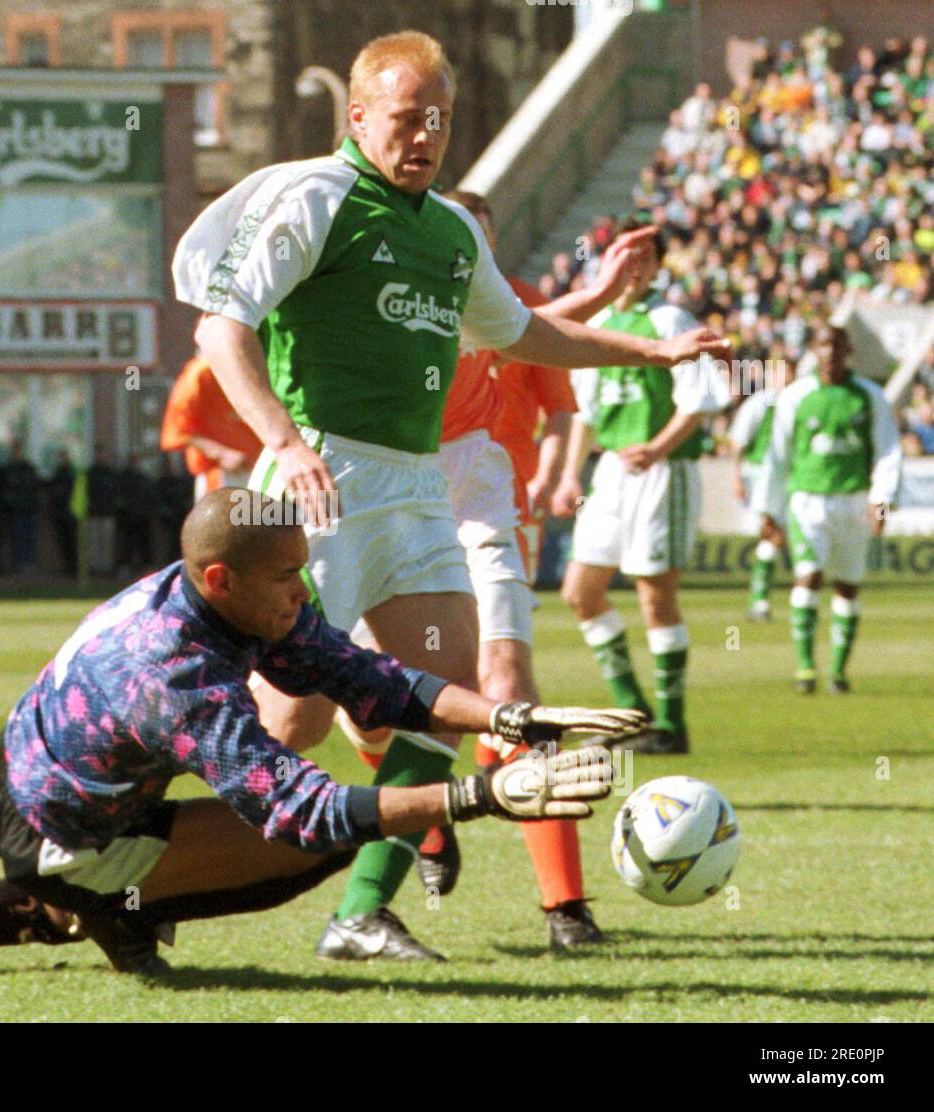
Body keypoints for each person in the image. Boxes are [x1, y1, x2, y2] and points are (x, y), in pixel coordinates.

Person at [173, 31, 728, 959]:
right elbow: (218, 330)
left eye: (438, 119)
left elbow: (523, 337)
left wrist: (653, 349)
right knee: (287, 724)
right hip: (322, 482)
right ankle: (131, 845)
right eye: (404, 117)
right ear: (357, 118)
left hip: (415, 487)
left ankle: (359, 912)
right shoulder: (317, 200)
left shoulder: (452, 229)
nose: (424, 135)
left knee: (452, 693)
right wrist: (283, 444)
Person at [0, 489, 639, 983]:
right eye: (287, 579)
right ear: (224, 578)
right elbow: (303, 809)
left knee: (63, 896)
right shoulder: (173, 672)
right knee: (310, 843)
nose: (302, 595)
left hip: (33, 775)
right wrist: (483, 793)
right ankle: (112, 909)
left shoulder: (227, 588)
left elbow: (365, 676)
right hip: (53, 822)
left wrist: (513, 718)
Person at [336, 192, 655, 950]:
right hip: (380, 494)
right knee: (368, 710)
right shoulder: (375, 294)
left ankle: (566, 910)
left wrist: (605, 303)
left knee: (507, 685)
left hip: (481, 491)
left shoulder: (516, 305)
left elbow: (531, 349)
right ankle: (425, 824)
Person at [551, 219, 726, 757]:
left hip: (661, 472)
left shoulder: (669, 318)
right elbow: (584, 411)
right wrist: (567, 475)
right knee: (580, 592)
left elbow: (698, 401)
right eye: (626, 253)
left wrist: (658, 447)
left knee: (655, 596)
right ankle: (634, 712)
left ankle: (671, 725)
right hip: (611, 476)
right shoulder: (600, 320)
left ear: (657, 265)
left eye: (646, 255)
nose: (636, 263)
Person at [751, 325, 902, 694]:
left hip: (854, 500)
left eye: (836, 345)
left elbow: (886, 448)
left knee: (848, 586)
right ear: (813, 351)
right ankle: (805, 667)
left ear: (848, 350)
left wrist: (881, 499)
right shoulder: (795, 396)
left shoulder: (869, 396)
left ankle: (837, 670)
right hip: (807, 501)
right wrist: (768, 508)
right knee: (809, 575)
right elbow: (777, 456)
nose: (830, 352)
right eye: (822, 345)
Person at [728, 359, 792, 620]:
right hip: (763, 474)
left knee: (779, 535)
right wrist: (736, 477)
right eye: (783, 372)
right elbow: (738, 441)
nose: (788, 376)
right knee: (771, 531)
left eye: (790, 371)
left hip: (789, 476)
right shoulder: (761, 402)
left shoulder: (796, 400)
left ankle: (761, 599)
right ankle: (759, 600)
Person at [160, 354, 263, 496]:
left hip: (263, 468)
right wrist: (221, 453)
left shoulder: (257, 366)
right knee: (221, 517)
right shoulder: (201, 371)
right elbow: (177, 429)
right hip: (223, 475)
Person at [5, 442, 42, 575]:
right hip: (16, 510)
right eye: (15, 451)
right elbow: (4, 489)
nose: (17, 454)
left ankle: (30, 564)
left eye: (18, 451)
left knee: (30, 537)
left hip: (30, 509)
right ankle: (20, 564)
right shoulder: (8, 470)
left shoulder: (29, 469)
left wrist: (35, 503)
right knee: (18, 538)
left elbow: (37, 487)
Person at [44, 449, 80, 579]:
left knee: (72, 541)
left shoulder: (72, 473)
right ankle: (68, 567)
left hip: (70, 512)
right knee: (63, 541)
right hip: (59, 512)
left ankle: (75, 568)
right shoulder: (57, 473)